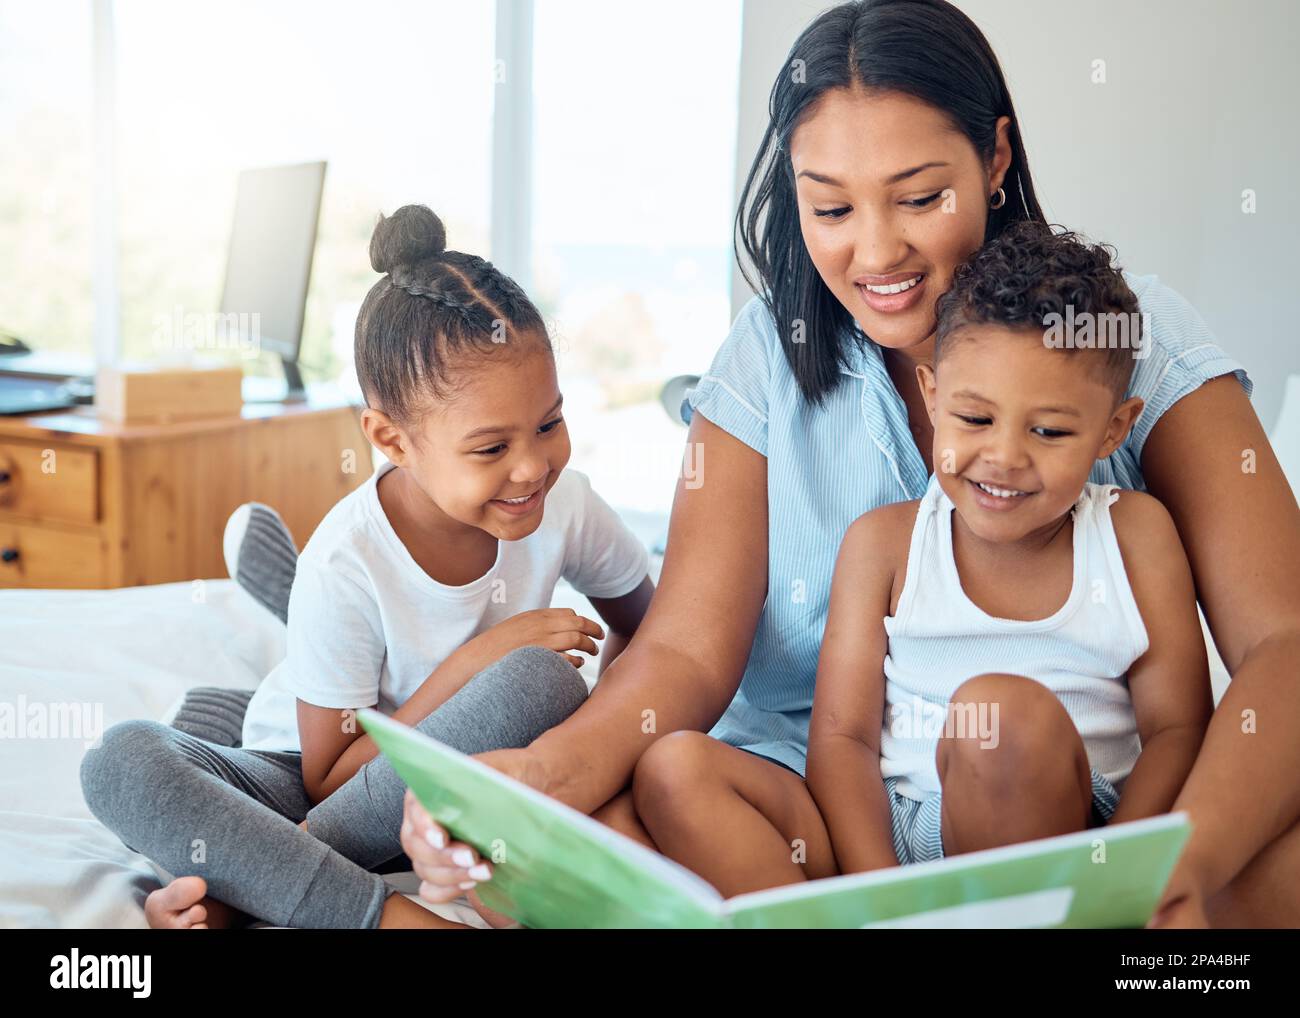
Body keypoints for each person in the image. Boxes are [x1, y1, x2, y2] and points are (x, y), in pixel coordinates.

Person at [398, 0, 1296, 927]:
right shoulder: (764, 357)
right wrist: (539, 779)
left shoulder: (1116, 334)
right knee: (560, 846)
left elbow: (1284, 645)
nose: (876, 253)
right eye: (829, 206)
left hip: (1064, 799)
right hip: (825, 810)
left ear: (994, 160)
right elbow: (681, 651)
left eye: (917, 198)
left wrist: (1184, 856)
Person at [80, 205, 654, 929]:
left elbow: (657, 633)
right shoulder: (346, 559)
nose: (533, 466)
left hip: (461, 789)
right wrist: (475, 662)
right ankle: (380, 917)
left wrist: (595, 738)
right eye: (490, 449)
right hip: (313, 782)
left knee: (544, 682)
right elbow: (326, 783)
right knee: (123, 760)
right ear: (392, 440)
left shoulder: (566, 503)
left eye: (550, 423)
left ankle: (255, 883)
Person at [633, 222, 1214, 892]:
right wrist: (880, 889)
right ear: (934, 398)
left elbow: (1177, 729)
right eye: (974, 419)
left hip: (1068, 836)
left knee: (996, 718)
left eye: (1049, 431)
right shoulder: (885, 543)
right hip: (899, 832)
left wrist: (1119, 881)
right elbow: (842, 740)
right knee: (673, 768)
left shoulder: (1135, 534)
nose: (1003, 457)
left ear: (1114, 427)